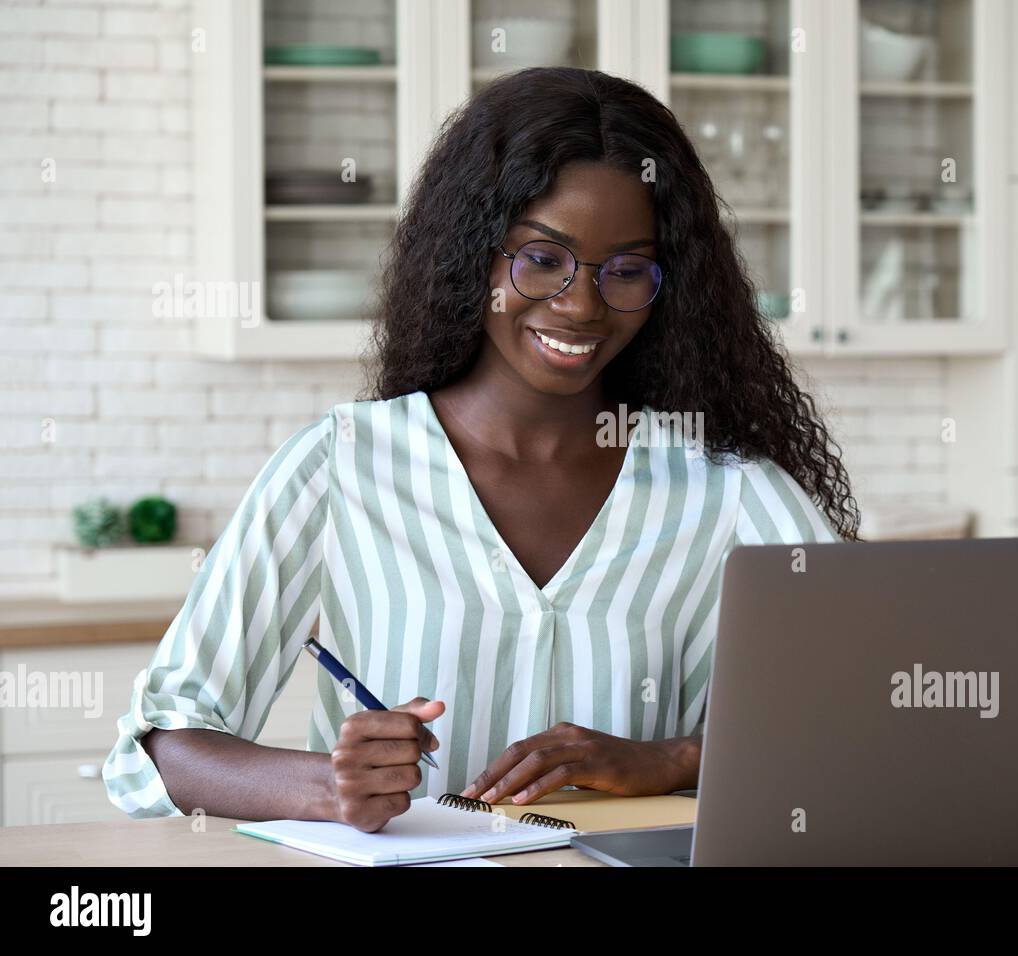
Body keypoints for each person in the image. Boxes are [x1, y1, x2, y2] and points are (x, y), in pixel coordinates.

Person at [104, 67, 859, 832]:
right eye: (541, 258)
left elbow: (866, 723)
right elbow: (156, 751)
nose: (581, 305)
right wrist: (326, 786)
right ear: (474, 254)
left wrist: (672, 759)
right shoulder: (341, 465)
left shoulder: (726, 484)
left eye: (627, 270)